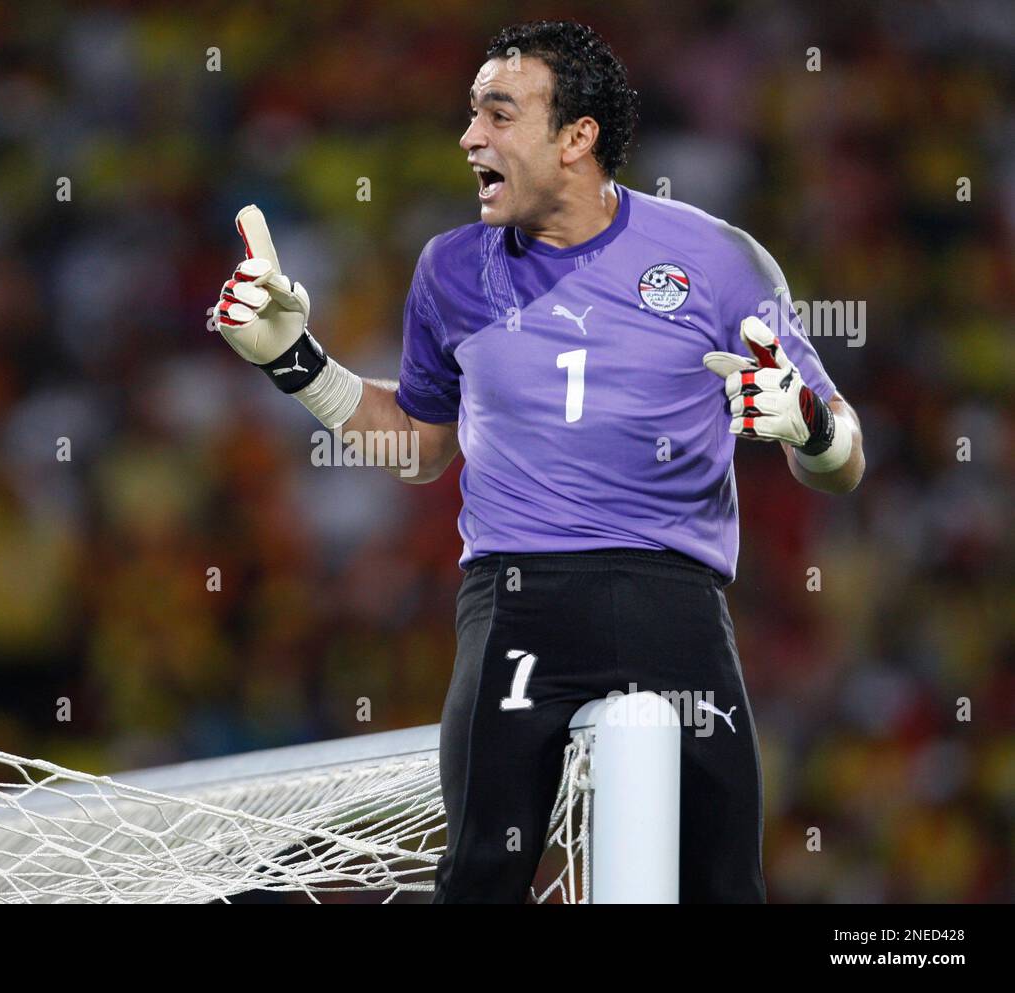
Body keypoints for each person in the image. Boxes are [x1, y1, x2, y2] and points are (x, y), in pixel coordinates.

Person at [211, 19, 864, 903]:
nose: (469, 136)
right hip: (514, 603)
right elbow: (422, 448)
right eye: (471, 113)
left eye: (498, 113)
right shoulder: (450, 270)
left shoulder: (719, 262)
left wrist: (811, 427)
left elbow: (845, 461)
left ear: (575, 138)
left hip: (670, 603)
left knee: (724, 887)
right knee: (480, 877)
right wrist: (297, 362)